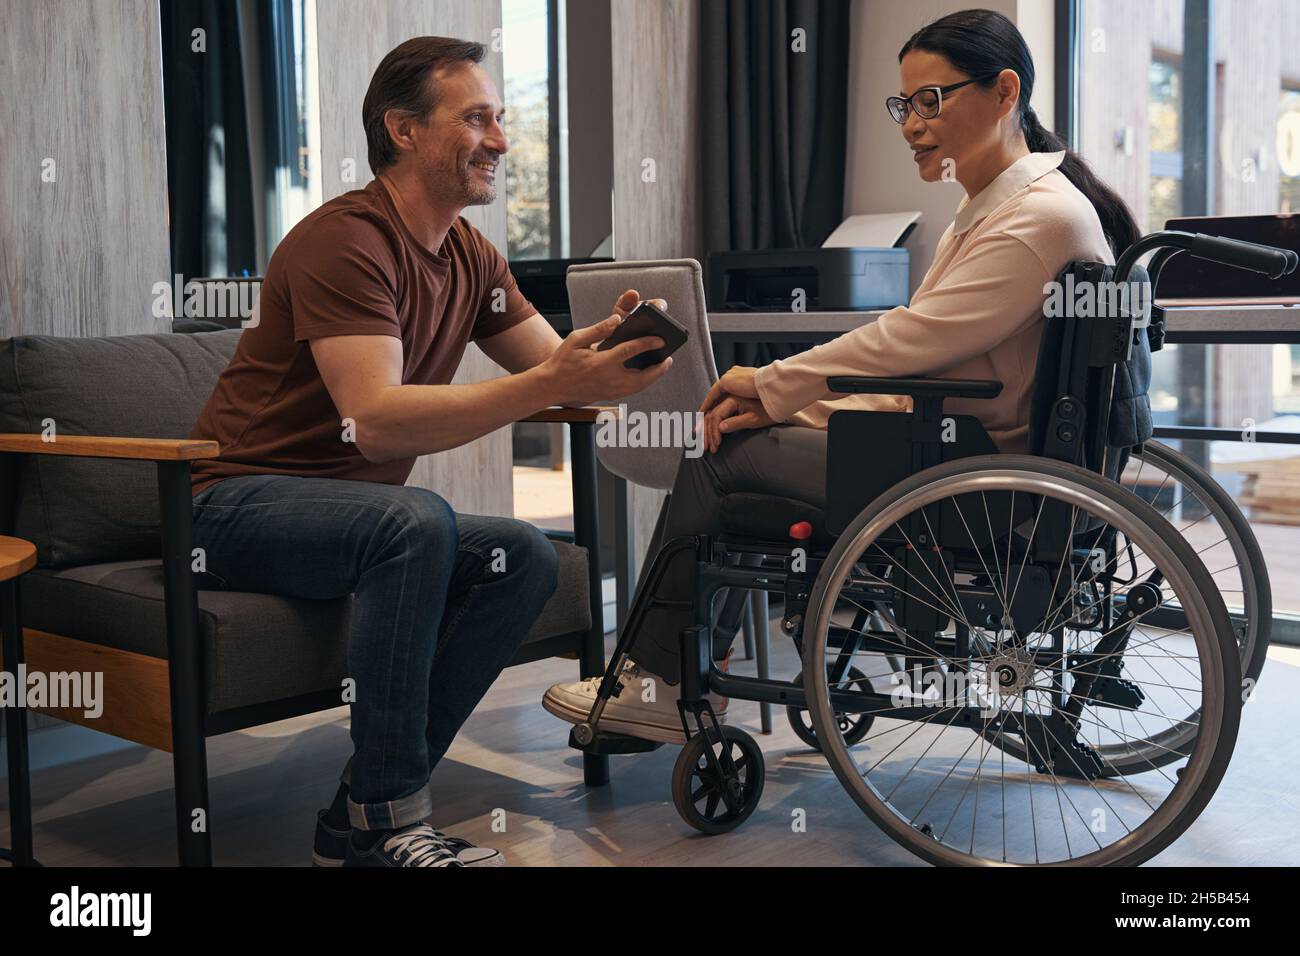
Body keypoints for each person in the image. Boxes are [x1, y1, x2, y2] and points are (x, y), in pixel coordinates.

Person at [543, 8, 1139, 744]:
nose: (912, 123)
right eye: (904, 104)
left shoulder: (1036, 216)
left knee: (715, 452)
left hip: (970, 476)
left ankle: (663, 682)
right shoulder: (997, 208)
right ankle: (679, 674)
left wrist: (772, 387)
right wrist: (792, 408)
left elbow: (912, 341)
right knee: (738, 435)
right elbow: (929, 361)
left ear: (1005, 91)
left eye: (932, 100)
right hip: (956, 451)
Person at [189, 36, 671, 867]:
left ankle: (357, 811)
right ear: (403, 130)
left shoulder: (472, 254)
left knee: (523, 555)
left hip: (350, 519)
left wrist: (603, 359)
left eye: (502, 119)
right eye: (476, 118)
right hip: (232, 506)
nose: (501, 140)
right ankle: (387, 824)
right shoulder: (345, 240)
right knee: (413, 523)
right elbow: (373, 421)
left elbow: (551, 374)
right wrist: (553, 379)